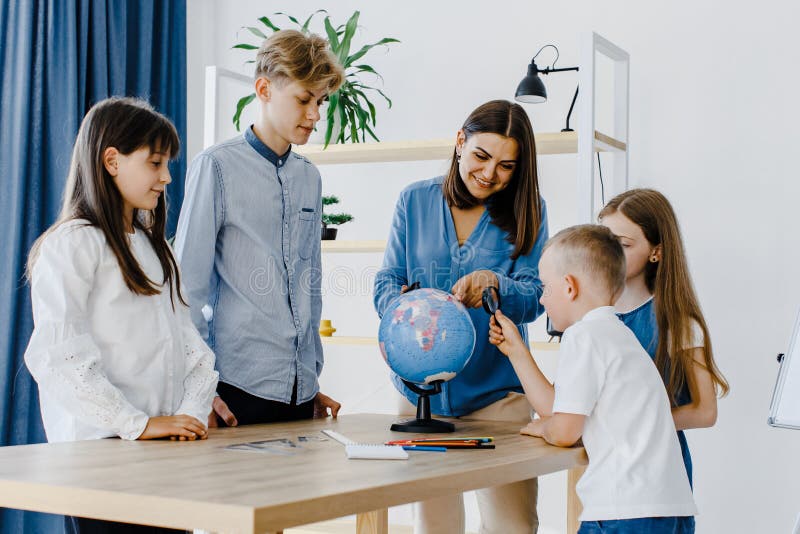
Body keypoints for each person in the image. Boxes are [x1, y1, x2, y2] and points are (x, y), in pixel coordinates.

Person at [24, 97, 218, 534]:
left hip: (160, 452)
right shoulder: (73, 244)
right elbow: (59, 358)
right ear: (111, 160)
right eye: (155, 163)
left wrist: (186, 417)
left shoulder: (157, 248)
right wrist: (137, 423)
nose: (167, 177)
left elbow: (191, 348)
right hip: (101, 458)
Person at [374, 99, 548, 534]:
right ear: (459, 143)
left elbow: (534, 298)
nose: (490, 175)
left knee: (513, 526)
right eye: (481, 156)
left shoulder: (530, 211)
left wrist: (495, 282)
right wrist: (403, 307)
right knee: (434, 527)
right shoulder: (414, 200)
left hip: (499, 401)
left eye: (507, 166)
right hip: (422, 401)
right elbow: (387, 281)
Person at [175, 30, 344, 428]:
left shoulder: (310, 178)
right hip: (233, 391)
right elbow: (186, 288)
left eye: (320, 102)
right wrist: (199, 391)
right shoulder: (215, 167)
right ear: (264, 89)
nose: (315, 115)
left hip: (300, 394)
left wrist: (307, 377)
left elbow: (309, 282)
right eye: (304, 100)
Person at [489, 224, 697, 534]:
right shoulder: (617, 336)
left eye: (545, 287)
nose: (543, 300)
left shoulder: (582, 336)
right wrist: (517, 352)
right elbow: (561, 406)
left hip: (623, 512)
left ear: (569, 287)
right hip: (669, 509)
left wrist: (545, 428)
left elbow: (564, 431)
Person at [599, 188, 730, 532]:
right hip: (606, 475)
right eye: (605, 240)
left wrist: (633, 426)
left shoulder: (676, 322)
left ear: (656, 252)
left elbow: (704, 411)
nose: (609, 253)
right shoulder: (597, 318)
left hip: (657, 480)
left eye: (623, 245)